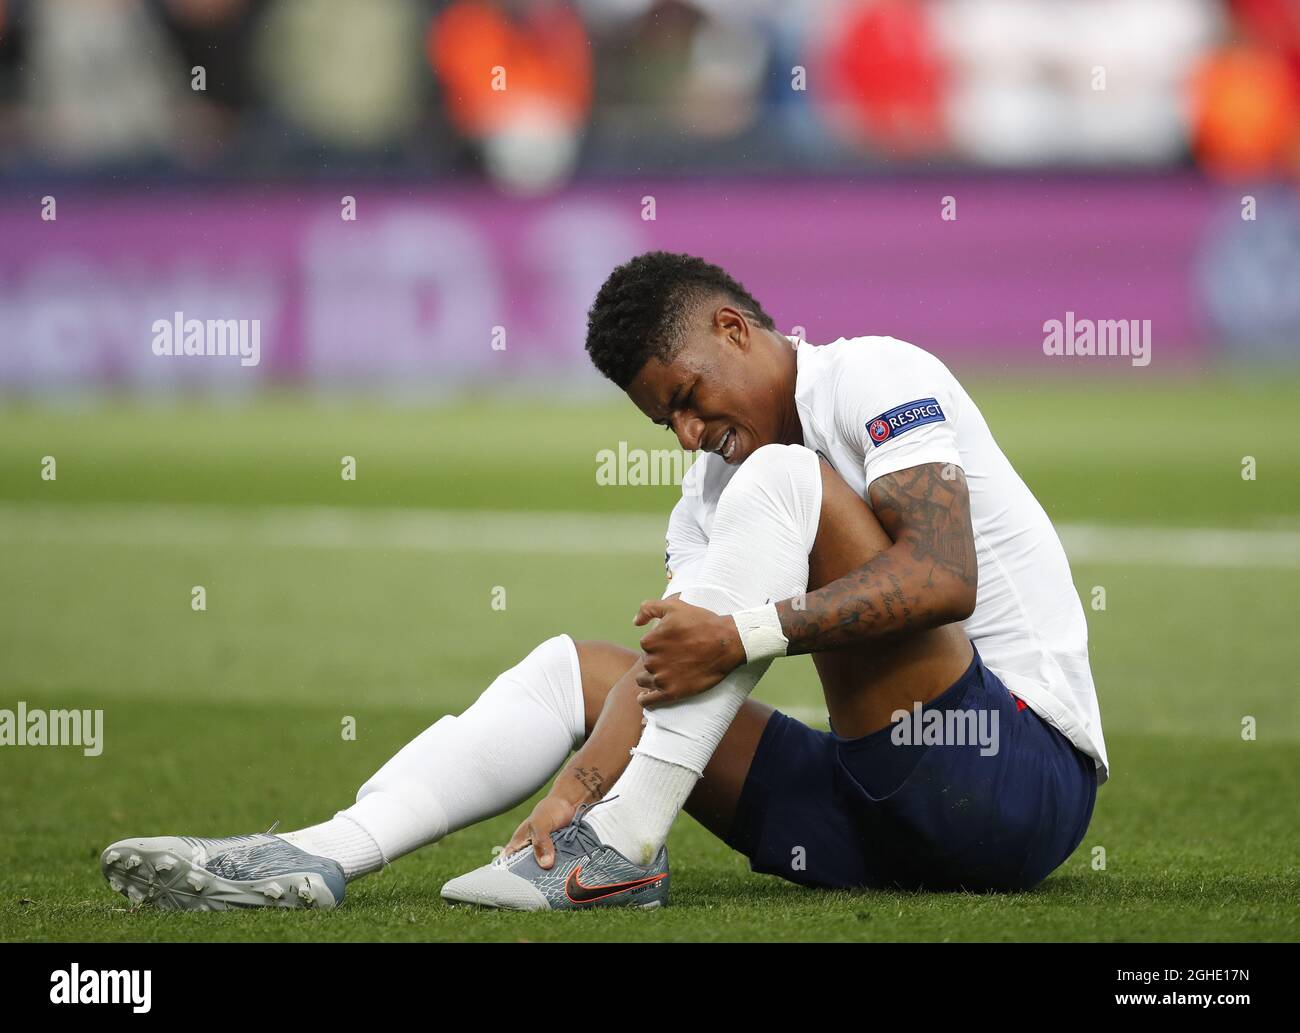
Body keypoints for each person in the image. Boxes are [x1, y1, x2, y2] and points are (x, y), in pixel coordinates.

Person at [100, 252, 1106, 912]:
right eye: (659, 420)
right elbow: (678, 668)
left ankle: (623, 849)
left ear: (735, 329)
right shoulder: (710, 486)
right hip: (872, 816)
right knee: (573, 670)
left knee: (784, 479)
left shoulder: (875, 375)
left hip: (1009, 776)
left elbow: (942, 575)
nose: (684, 431)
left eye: (685, 397)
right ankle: (319, 853)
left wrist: (749, 632)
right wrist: (571, 793)